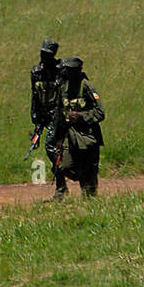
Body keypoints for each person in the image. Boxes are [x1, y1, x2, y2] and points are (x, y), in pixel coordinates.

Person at [53, 57, 105, 198]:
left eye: (70, 70)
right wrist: (58, 138)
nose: (67, 73)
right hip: (69, 136)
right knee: (64, 166)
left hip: (87, 137)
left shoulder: (86, 86)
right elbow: (59, 114)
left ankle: (90, 201)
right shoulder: (63, 88)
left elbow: (100, 113)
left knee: (89, 173)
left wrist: (82, 116)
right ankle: (67, 188)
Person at [30, 39, 64, 189]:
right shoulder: (36, 72)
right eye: (42, 53)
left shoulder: (61, 71)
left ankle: (61, 181)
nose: (43, 56)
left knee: (51, 146)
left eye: (47, 54)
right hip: (44, 114)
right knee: (52, 147)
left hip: (59, 114)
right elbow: (35, 97)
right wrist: (36, 120)